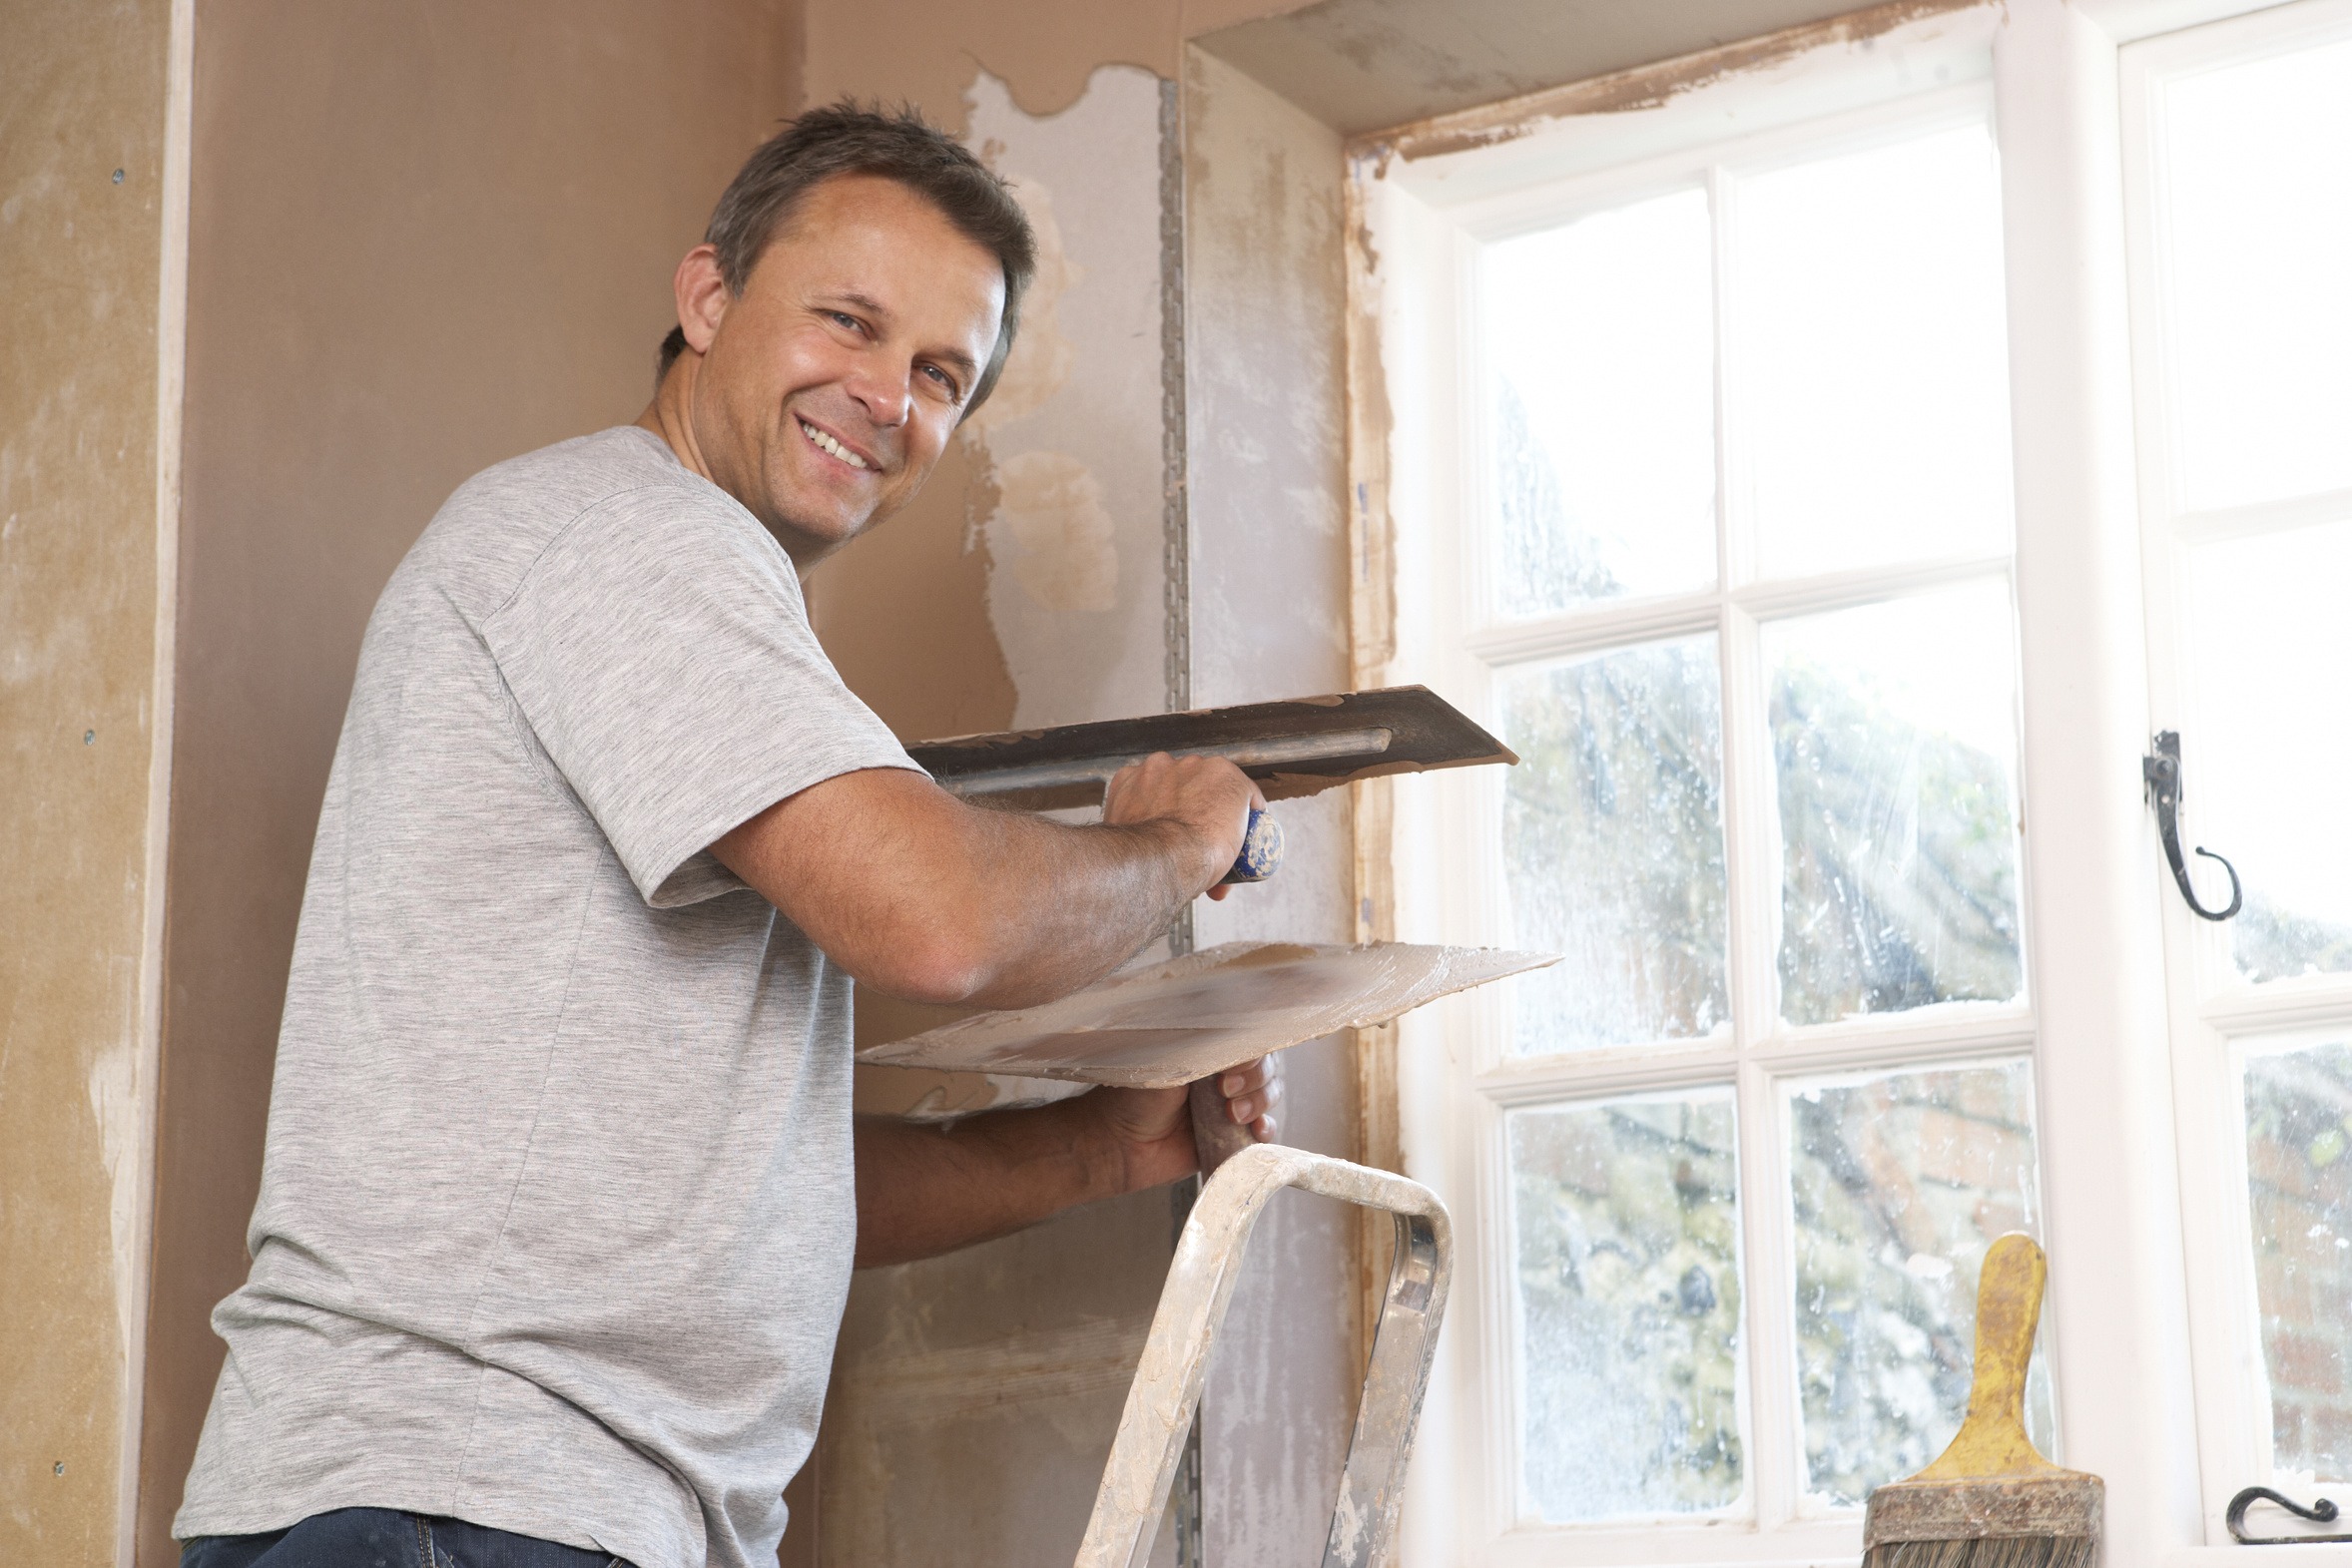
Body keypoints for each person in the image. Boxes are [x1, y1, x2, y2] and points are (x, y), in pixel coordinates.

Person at [173, 103, 1281, 1568]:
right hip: (469, 1496)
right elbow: (941, 922)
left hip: (522, 1508)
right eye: (850, 322)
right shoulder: (625, 536)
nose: (888, 395)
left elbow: (751, 1198)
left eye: (939, 371)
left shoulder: (707, 641)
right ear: (707, 297)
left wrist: (1098, 1149)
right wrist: (1185, 846)